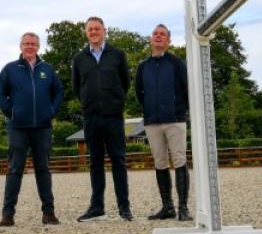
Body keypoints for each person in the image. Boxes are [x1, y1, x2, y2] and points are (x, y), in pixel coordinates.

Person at [0, 31, 64, 226]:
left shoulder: (48, 69)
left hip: (42, 127)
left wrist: (51, 111)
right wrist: (11, 112)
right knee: (15, 170)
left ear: (38, 47)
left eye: (33, 43)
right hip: (18, 127)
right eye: (26, 43)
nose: (30, 46)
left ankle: (49, 213)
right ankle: (8, 215)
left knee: (43, 170)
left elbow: (59, 91)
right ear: (21, 46)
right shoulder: (10, 69)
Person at [71, 16, 133, 221]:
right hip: (91, 118)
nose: (94, 32)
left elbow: (125, 82)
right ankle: (97, 207)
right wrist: (90, 102)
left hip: (113, 117)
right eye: (90, 29)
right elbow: (77, 88)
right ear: (86, 32)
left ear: (104, 31)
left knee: (118, 161)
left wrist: (114, 101)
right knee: (95, 162)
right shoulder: (79, 59)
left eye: (97, 29)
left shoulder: (117, 55)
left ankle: (124, 207)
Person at [135, 24, 192, 221]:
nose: (158, 36)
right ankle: (167, 207)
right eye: (155, 34)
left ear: (168, 41)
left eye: (163, 34)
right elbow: (139, 93)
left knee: (179, 161)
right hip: (152, 121)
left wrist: (180, 110)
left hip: (174, 119)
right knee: (159, 162)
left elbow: (187, 89)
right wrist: (150, 108)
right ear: (151, 39)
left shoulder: (177, 63)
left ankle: (183, 207)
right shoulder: (143, 67)